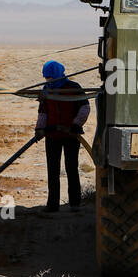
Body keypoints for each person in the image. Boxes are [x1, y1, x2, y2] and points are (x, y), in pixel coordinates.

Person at [35, 60, 90, 213]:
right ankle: (52, 205)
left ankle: (75, 204)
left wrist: (75, 124)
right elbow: (43, 111)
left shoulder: (74, 88)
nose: (49, 80)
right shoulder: (46, 90)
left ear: (59, 75)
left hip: (71, 135)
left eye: (51, 77)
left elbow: (84, 108)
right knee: (52, 170)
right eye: (47, 78)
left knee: (71, 168)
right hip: (52, 135)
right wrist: (40, 128)